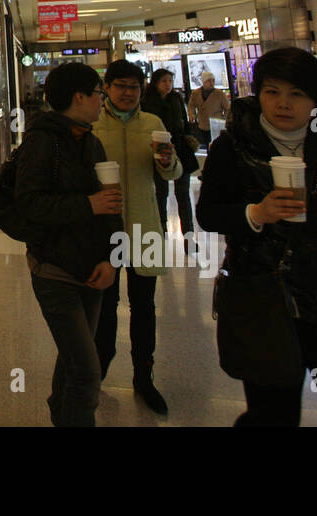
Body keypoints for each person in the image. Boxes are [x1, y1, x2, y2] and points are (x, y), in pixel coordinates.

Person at [197, 47, 317, 426]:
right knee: (274, 414)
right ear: (258, 94)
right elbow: (208, 214)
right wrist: (256, 213)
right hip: (269, 303)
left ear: (314, 100)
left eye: (296, 94)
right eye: (272, 92)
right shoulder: (233, 149)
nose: (283, 104)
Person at [18, 62, 123, 426]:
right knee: (86, 371)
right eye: (98, 93)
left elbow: (110, 207)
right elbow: (30, 204)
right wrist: (88, 204)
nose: (102, 100)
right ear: (79, 97)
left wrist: (112, 260)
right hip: (54, 269)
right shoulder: (41, 141)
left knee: (74, 359)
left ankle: (60, 415)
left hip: (92, 268)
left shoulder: (90, 141)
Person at [93, 60, 183, 414]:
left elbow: (172, 172)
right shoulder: (93, 125)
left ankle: (144, 378)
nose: (128, 93)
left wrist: (167, 162)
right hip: (105, 230)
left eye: (134, 87)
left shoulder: (153, 124)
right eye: (121, 86)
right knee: (106, 306)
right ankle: (97, 372)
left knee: (144, 307)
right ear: (108, 87)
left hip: (145, 225)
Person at [142, 68, 197, 239]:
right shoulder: (148, 101)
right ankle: (161, 232)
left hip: (180, 147)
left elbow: (184, 121)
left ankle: (188, 236)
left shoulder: (176, 99)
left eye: (170, 81)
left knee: (183, 193)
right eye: (164, 81)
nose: (168, 85)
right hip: (159, 149)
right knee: (160, 193)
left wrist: (190, 138)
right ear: (156, 83)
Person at [187, 71, 229, 147]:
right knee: (207, 144)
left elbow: (227, 108)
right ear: (203, 82)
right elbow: (191, 105)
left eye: (213, 80)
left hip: (216, 125)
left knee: (217, 146)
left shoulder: (219, 94)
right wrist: (191, 114)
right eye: (209, 81)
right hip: (202, 124)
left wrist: (224, 120)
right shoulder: (196, 93)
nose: (211, 83)